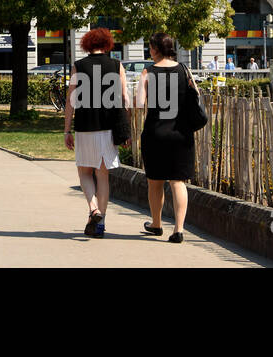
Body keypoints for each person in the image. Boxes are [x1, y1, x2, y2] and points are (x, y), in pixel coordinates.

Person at [63, 27, 132, 238]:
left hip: (85, 127)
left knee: (84, 172)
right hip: (109, 129)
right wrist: (126, 130)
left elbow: (70, 100)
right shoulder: (116, 65)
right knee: (103, 176)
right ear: (108, 44)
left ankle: (93, 209)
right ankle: (101, 222)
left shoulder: (79, 66)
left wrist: (67, 129)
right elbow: (125, 99)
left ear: (87, 44)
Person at [136, 32, 198, 243]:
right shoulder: (184, 69)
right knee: (178, 181)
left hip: (156, 133)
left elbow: (139, 102)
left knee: (155, 181)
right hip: (181, 134)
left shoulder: (148, 71)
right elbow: (196, 96)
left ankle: (156, 224)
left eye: (150, 47)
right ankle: (178, 229)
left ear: (155, 49)